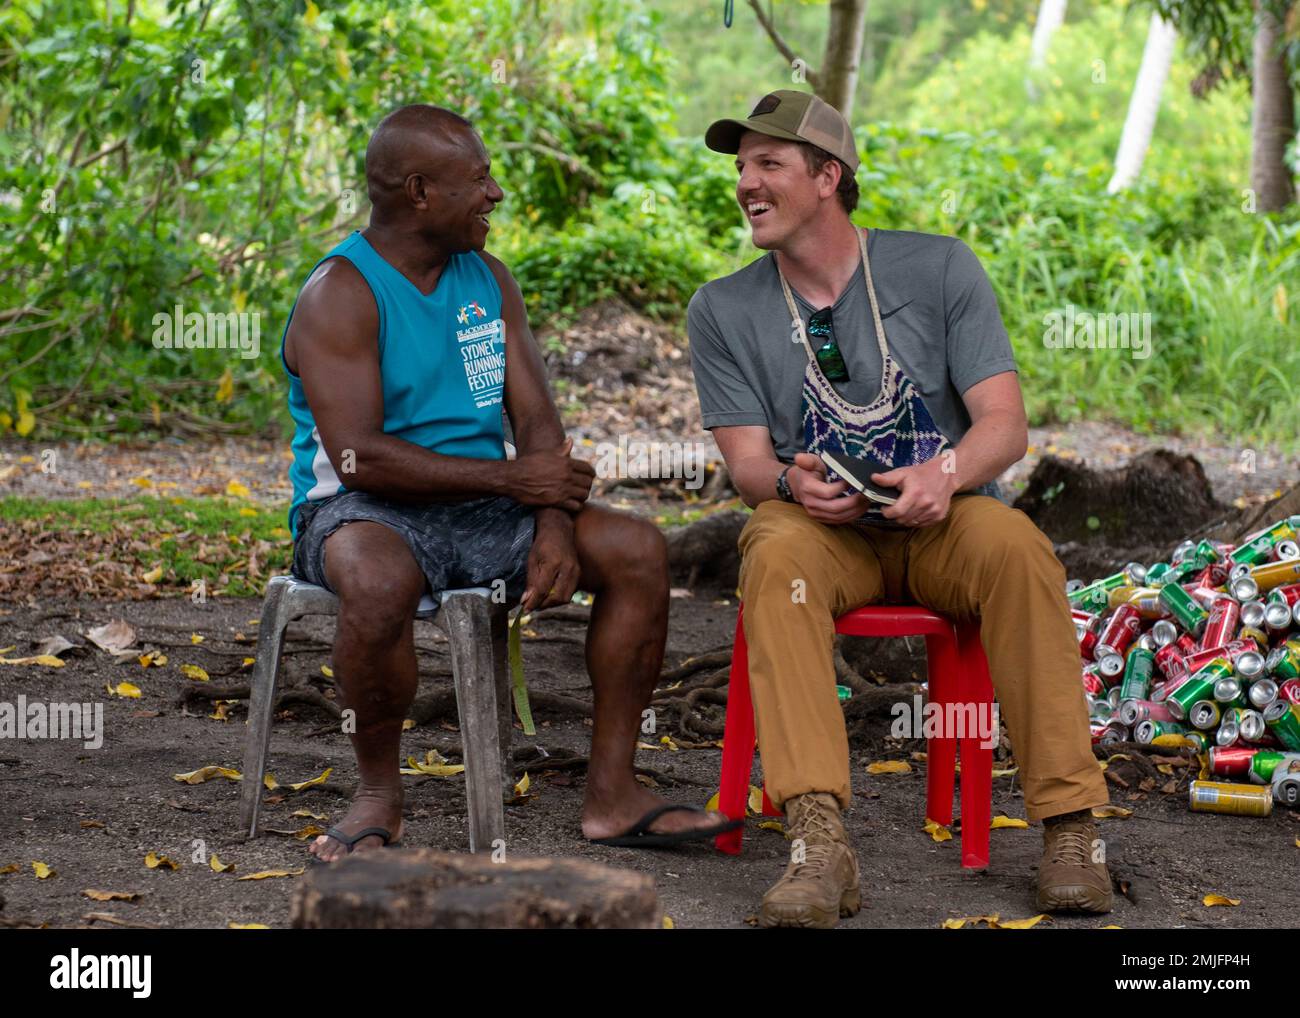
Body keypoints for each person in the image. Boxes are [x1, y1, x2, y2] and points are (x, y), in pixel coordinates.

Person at [686, 90, 1113, 928]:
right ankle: (816, 839)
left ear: (827, 176)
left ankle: (1070, 826)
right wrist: (788, 485)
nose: (746, 182)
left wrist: (945, 474)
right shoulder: (723, 309)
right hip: (822, 533)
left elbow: (1005, 424)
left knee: (1021, 550)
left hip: (943, 522)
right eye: (741, 167)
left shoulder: (938, 268)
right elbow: (745, 465)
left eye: (768, 163)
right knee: (771, 552)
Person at [281, 104, 739, 862]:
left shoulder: (488, 279)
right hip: (361, 509)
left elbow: (538, 425)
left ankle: (613, 794)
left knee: (635, 549)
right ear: (421, 192)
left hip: (492, 500)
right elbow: (360, 457)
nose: (495, 194)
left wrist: (553, 521)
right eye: (480, 179)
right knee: (375, 580)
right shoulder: (340, 291)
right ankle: (377, 795)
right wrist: (518, 481)